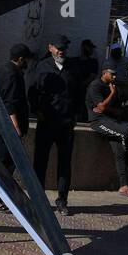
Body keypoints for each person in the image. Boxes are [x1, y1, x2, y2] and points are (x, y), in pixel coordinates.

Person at [29, 34, 81, 216]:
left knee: (64, 164)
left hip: (66, 123)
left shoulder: (73, 68)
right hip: (47, 122)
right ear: (50, 47)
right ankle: (37, 199)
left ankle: (62, 200)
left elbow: (79, 93)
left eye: (64, 48)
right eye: (58, 47)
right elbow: (33, 92)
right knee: (40, 161)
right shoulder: (42, 66)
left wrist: (76, 116)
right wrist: (38, 111)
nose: (61, 51)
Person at [0, 43, 32, 212]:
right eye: (26, 59)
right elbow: (9, 103)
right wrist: (16, 127)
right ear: (20, 59)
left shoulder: (6, 70)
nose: (28, 62)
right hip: (7, 128)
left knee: (5, 163)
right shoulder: (11, 74)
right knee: (4, 163)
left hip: (4, 126)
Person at [87, 64, 128, 197]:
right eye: (112, 74)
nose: (115, 77)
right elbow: (101, 107)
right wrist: (112, 93)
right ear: (104, 73)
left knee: (119, 152)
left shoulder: (114, 85)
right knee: (126, 132)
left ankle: (124, 186)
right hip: (98, 121)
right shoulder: (96, 86)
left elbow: (115, 109)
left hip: (111, 122)